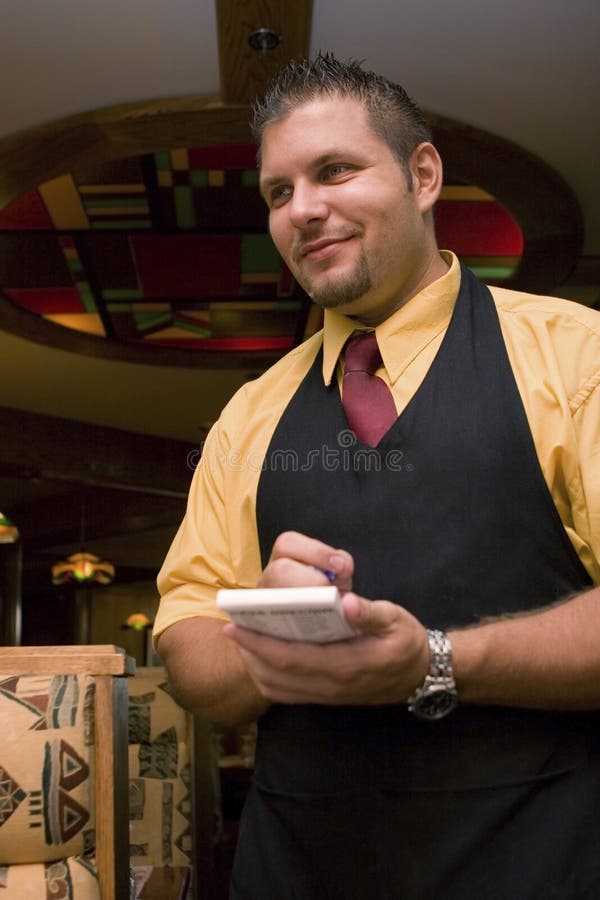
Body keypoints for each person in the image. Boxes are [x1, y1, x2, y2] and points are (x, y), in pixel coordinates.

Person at [154, 54, 600, 899]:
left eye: (334, 171)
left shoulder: (575, 356)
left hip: (540, 858)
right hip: (296, 866)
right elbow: (182, 641)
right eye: (279, 192)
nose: (304, 211)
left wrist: (434, 661)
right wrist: (270, 646)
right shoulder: (249, 414)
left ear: (422, 174)